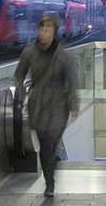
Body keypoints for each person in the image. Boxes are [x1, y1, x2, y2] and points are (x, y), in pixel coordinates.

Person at [14, 13, 79, 196]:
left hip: (59, 104)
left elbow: (73, 81)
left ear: (55, 32)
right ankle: (49, 181)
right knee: (44, 146)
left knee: (52, 141)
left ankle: (50, 177)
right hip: (38, 105)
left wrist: (74, 104)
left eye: (49, 29)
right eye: (42, 29)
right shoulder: (29, 52)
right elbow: (19, 75)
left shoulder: (64, 56)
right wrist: (21, 93)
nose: (45, 32)